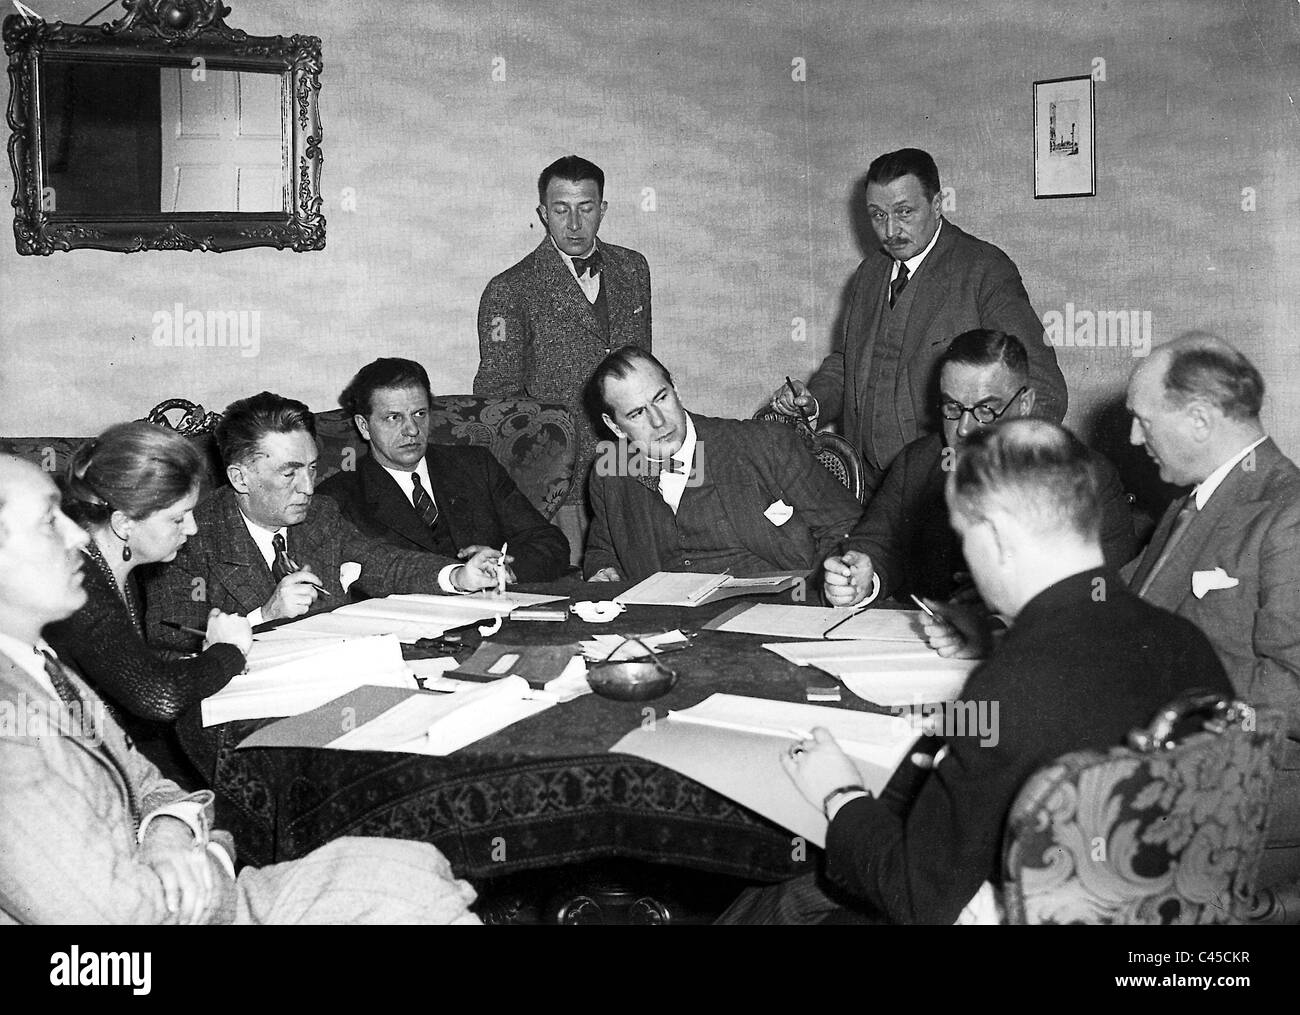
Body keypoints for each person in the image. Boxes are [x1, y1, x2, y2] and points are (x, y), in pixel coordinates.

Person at [718, 420, 1231, 924]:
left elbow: (915, 897)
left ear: (999, 538)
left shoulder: (1011, 685)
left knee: (777, 904)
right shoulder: (1187, 643)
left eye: (965, 537)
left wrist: (838, 791)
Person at [0, 455, 480, 925]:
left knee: (415, 866)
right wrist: (213, 852)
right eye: (49, 521)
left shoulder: (37, 661)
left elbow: (146, 783)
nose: (79, 533)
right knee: (417, 897)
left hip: (182, 882)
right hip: (168, 920)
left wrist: (168, 832)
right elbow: (119, 917)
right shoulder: (9, 732)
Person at [770, 148, 1067, 493]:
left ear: (938, 204)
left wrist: (991, 477)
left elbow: (1045, 390)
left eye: (904, 212)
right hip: (865, 486)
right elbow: (845, 363)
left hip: (946, 486)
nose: (890, 230)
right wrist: (814, 401)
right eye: (878, 215)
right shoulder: (869, 274)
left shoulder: (983, 270)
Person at [1123, 332, 1300, 896]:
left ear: (1199, 420)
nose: (1133, 438)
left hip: (1242, 808)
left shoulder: (1286, 515)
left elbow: (1290, 694)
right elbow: (1115, 599)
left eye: (1143, 421)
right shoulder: (1190, 505)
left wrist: (1164, 774)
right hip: (1170, 778)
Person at [144, 391, 499, 655]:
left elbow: (384, 563)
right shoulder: (189, 538)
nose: (308, 488)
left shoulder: (321, 516)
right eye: (289, 473)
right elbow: (170, 642)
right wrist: (263, 615)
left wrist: (457, 576)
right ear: (240, 478)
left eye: (312, 468)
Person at [822, 329, 1135, 607]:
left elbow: (1104, 587)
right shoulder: (916, 463)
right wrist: (859, 578)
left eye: (986, 409)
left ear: (1024, 404)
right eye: (952, 408)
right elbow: (876, 543)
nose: (964, 428)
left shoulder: (1086, 474)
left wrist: (998, 619)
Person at [42, 422, 250, 784]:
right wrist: (227, 651)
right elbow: (160, 696)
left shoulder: (112, 564)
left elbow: (127, 666)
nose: (193, 529)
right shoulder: (82, 586)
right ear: (124, 523)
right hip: (73, 773)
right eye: (177, 517)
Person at [475, 155, 652, 563]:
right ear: (543, 213)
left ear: (602, 209)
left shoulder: (634, 268)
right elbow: (498, 398)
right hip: (565, 483)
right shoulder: (509, 289)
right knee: (578, 588)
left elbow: (643, 366)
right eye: (561, 209)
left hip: (634, 466)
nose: (574, 223)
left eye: (585, 208)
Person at [582, 347, 863, 584]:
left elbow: (846, 525)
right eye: (637, 413)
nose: (658, 421)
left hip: (773, 613)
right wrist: (602, 571)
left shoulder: (764, 445)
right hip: (667, 625)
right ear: (614, 426)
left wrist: (828, 582)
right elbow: (603, 548)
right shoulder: (612, 471)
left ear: (676, 390)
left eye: (661, 398)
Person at [316, 358, 569, 583]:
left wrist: (504, 569)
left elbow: (548, 542)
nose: (412, 429)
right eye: (393, 418)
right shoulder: (338, 498)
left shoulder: (475, 466)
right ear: (364, 426)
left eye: (419, 414)